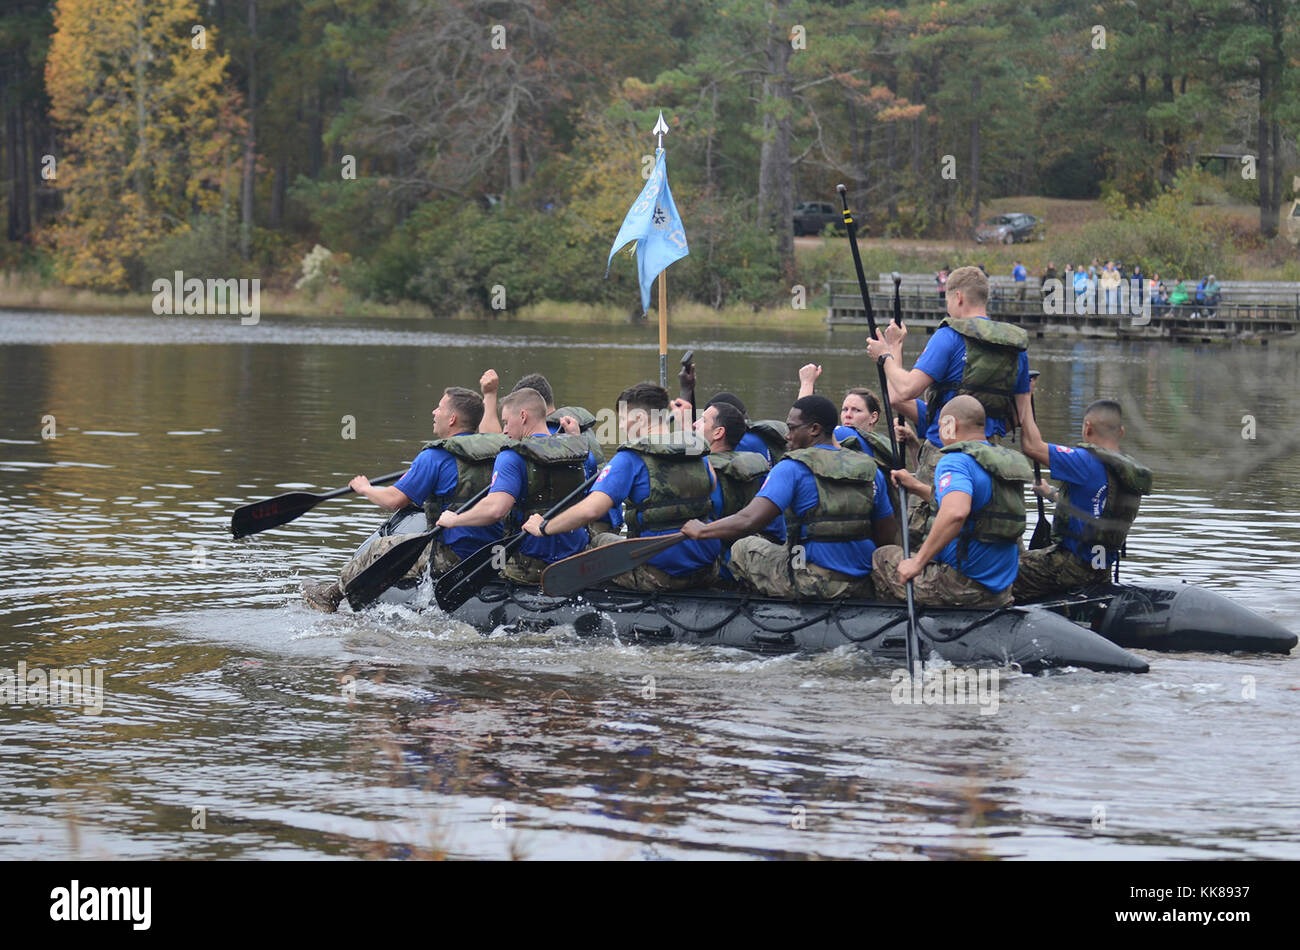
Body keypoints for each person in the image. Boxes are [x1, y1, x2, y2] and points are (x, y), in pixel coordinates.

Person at [866, 265, 1031, 545]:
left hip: (943, 455)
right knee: (979, 531)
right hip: (992, 456)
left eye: (947, 302)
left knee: (918, 536)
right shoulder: (1015, 347)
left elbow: (903, 391)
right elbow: (1019, 416)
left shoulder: (949, 335)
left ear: (958, 297)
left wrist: (885, 356)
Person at [302, 387, 505, 612]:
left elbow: (393, 501)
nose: (434, 412)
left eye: (439, 408)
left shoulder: (433, 456)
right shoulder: (498, 452)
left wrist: (365, 488)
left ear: (452, 418)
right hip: (495, 550)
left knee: (378, 548)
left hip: (455, 554)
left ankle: (330, 596)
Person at [680, 395, 896, 600]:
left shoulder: (791, 467)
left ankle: (743, 596)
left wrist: (703, 530)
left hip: (811, 579)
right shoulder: (870, 470)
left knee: (743, 547)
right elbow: (885, 536)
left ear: (814, 429)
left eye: (792, 428)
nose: (787, 435)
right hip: (862, 579)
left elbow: (749, 521)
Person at [522, 382, 722, 591]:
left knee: (597, 541)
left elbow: (591, 509)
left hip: (657, 574)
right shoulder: (695, 450)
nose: (620, 426)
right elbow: (712, 483)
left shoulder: (630, 458)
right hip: (707, 569)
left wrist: (544, 527)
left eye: (623, 419)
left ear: (640, 419)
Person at [872, 396, 1031, 607]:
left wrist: (917, 563)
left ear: (950, 425)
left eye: (940, 426)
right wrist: (917, 486)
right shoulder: (1000, 460)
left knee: (882, 556)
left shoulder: (955, 460)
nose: (939, 432)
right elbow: (975, 504)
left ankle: (894, 624)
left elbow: (956, 512)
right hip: (1001, 587)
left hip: (961, 586)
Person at [436, 387, 589, 585]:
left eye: (507, 422)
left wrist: (455, 520)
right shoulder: (578, 451)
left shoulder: (511, 456)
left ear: (523, 416)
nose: (505, 430)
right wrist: (573, 438)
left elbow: (496, 510)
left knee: (483, 558)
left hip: (530, 565)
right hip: (575, 557)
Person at [1014, 399, 1152, 600]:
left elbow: (1031, 446)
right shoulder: (1126, 471)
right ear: (1121, 432)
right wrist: (1051, 493)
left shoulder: (1083, 460)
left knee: (1000, 572)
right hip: (1101, 569)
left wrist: (1025, 397)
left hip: (1071, 566)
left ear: (1088, 429)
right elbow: (1096, 507)